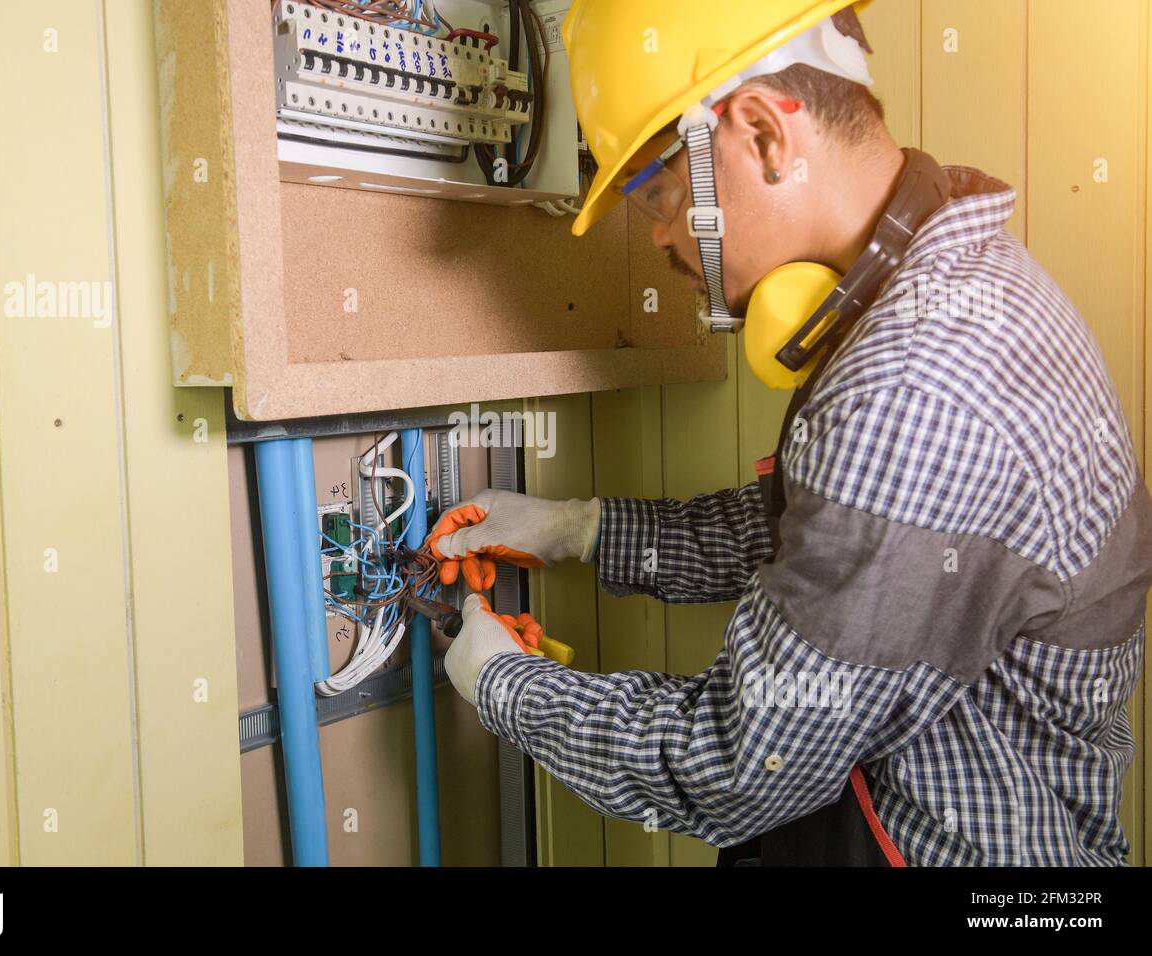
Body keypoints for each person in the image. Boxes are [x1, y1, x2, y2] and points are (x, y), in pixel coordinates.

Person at [428, 0, 1152, 865]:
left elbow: (740, 767)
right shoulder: (954, 283)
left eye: (657, 194)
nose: (660, 237)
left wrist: (507, 688)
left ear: (766, 136)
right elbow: (823, 539)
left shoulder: (917, 387)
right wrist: (582, 528)